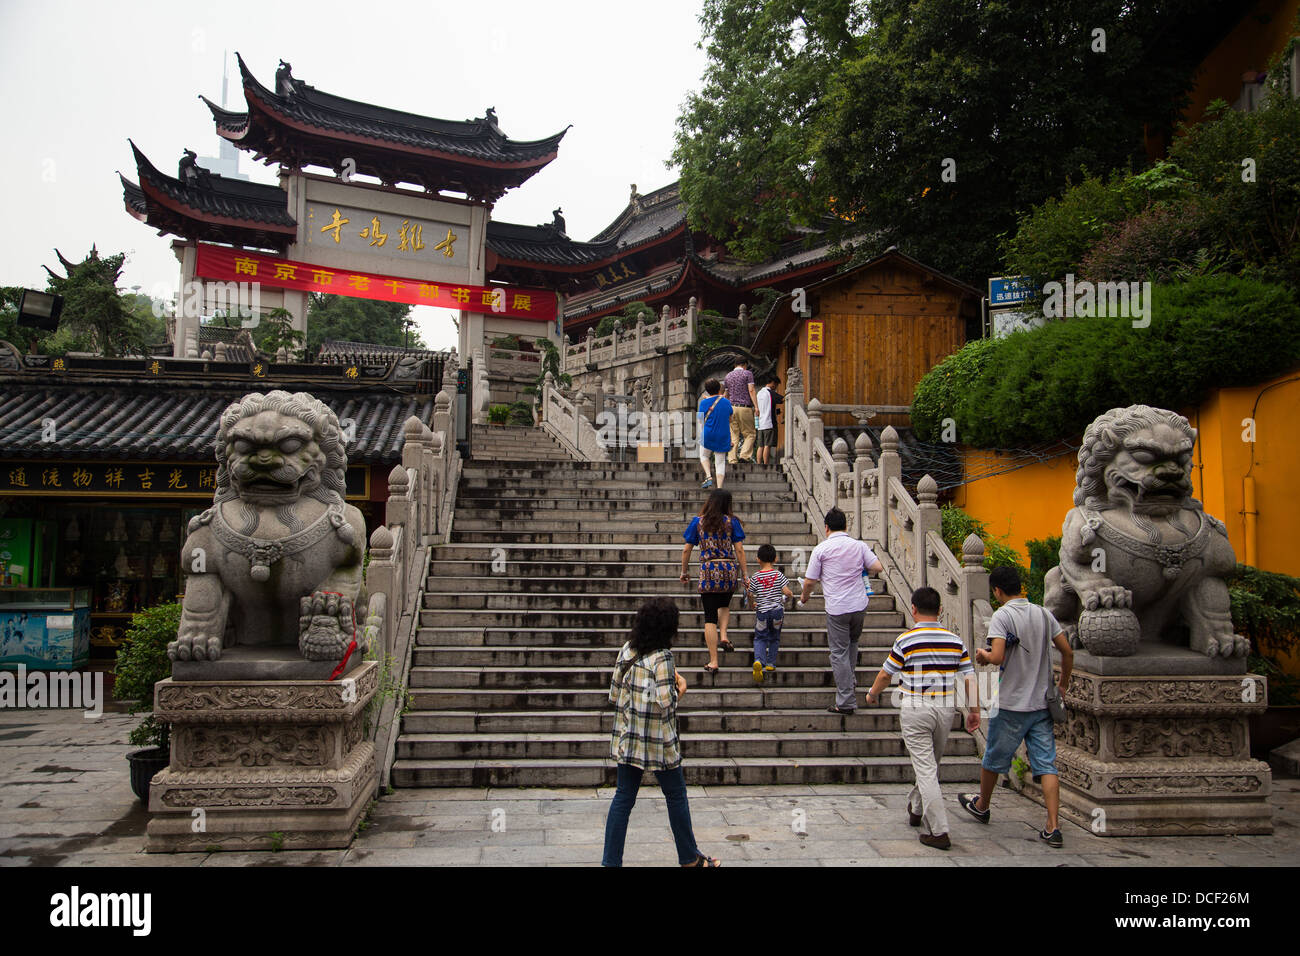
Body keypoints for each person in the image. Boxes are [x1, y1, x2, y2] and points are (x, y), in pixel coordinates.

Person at [958, 565, 1074, 848]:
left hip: (1010, 704)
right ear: (1019, 586)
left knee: (995, 759)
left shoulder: (1003, 615)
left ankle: (982, 805)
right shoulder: (1043, 614)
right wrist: (1063, 684)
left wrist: (983, 656)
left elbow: (997, 656)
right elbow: (1067, 651)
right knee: (1046, 764)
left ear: (997, 591)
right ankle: (1052, 825)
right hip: (1041, 704)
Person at [603, 598, 719, 867]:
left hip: (629, 738)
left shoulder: (626, 650)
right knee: (676, 796)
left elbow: (614, 695)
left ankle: (610, 863)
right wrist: (682, 689)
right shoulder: (664, 657)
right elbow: (666, 703)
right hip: (659, 743)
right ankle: (690, 858)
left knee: (623, 799)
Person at [865, 586, 979, 850]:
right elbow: (970, 676)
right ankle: (916, 808)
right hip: (944, 707)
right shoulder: (954, 640)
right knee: (931, 764)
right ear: (940, 610)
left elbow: (885, 674)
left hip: (916, 707)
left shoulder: (906, 640)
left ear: (913, 609)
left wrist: (872, 694)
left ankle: (939, 831)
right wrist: (974, 710)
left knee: (926, 768)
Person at [799, 506, 884, 714]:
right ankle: (849, 680)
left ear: (826, 527)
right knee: (852, 644)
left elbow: (810, 581)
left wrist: (805, 597)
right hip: (859, 605)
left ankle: (845, 700)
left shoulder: (821, 549)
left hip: (838, 608)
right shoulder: (858, 545)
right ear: (847, 525)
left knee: (838, 652)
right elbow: (878, 567)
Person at [680, 489, 748, 674]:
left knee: (710, 617)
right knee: (724, 605)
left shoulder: (698, 522)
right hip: (728, 570)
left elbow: (686, 550)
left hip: (709, 571)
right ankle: (724, 635)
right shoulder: (732, 522)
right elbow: (740, 550)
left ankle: (713, 661)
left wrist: (684, 571)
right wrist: (745, 574)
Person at [746, 544, 794, 683]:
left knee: (760, 637)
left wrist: (752, 604)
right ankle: (771, 663)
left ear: (757, 559)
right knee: (774, 636)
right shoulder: (778, 575)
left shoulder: (755, 577)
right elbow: (786, 591)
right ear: (775, 559)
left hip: (762, 611)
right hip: (777, 612)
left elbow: (750, 593)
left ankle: (759, 661)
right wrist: (790, 594)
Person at [695, 379, 733, 489]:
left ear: (707, 390)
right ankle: (719, 488)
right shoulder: (726, 402)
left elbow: (700, 420)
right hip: (723, 435)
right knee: (720, 462)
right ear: (718, 388)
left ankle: (708, 476)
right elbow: (730, 419)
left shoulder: (703, 403)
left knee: (703, 455)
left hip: (708, 433)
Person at [724, 358, 757, 465]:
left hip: (731, 408)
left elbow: (726, 395)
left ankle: (732, 459)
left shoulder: (728, 376)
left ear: (735, 365)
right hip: (745, 408)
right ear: (744, 365)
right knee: (750, 434)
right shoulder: (747, 374)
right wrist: (756, 406)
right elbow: (751, 390)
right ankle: (744, 456)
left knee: (734, 435)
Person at [755, 374, 779, 466]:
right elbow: (782, 399)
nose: (776, 387)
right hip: (769, 423)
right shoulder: (770, 393)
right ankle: (765, 464)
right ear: (773, 383)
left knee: (760, 446)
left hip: (760, 424)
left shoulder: (759, 393)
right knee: (767, 445)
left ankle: (758, 463)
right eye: (776, 385)